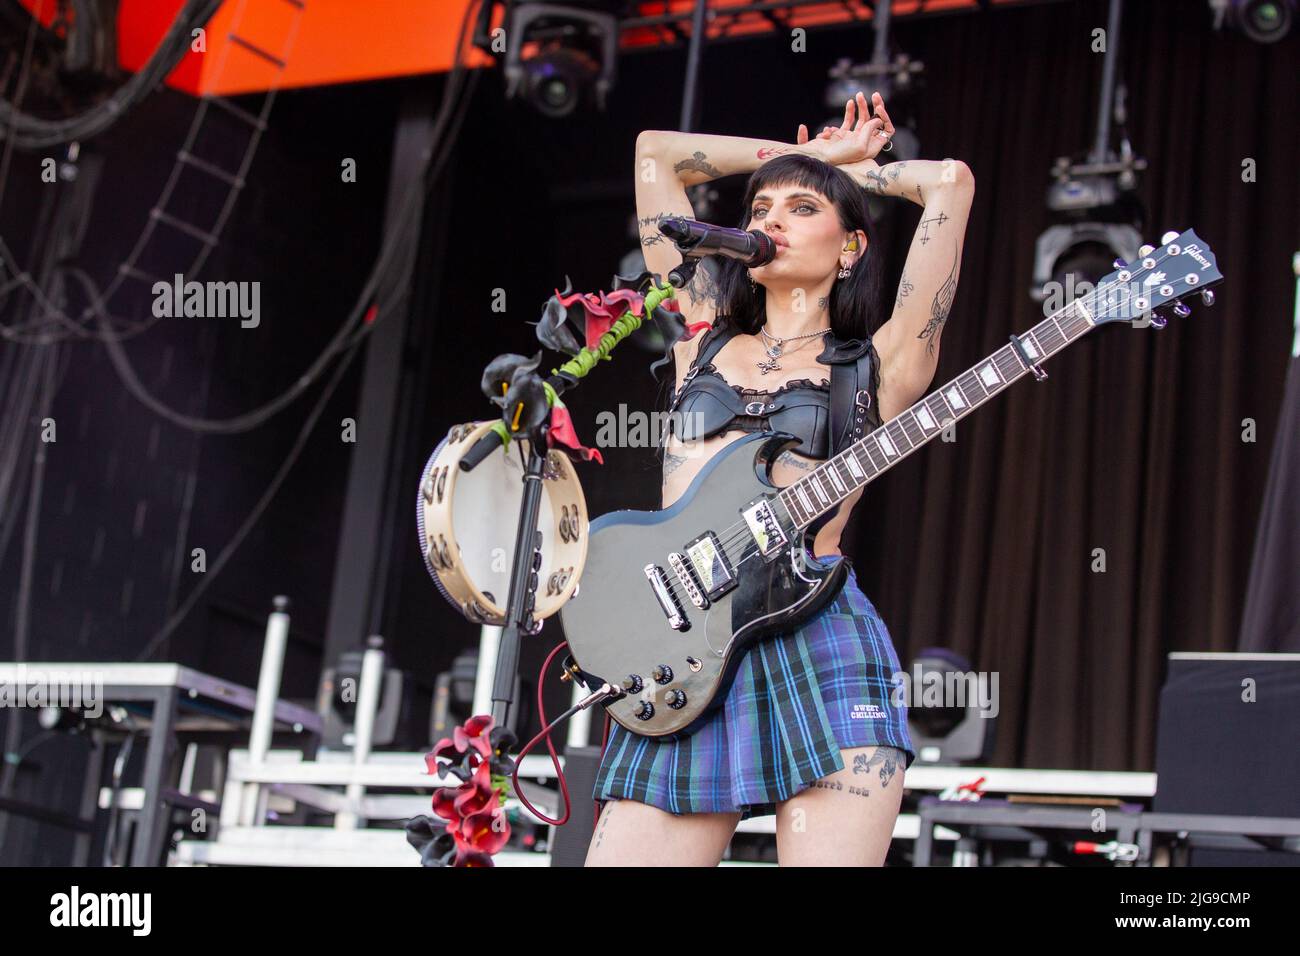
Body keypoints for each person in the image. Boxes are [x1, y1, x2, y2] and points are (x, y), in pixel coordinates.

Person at [585, 91, 975, 866]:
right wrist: (812, 160)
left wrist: (868, 171)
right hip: (683, 637)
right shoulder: (700, 333)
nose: (771, 218)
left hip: (819, 634)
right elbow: (654, 152)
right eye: (761, 206)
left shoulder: (881, 363)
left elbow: (952, 183)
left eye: (802, 208)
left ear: (851, 247)